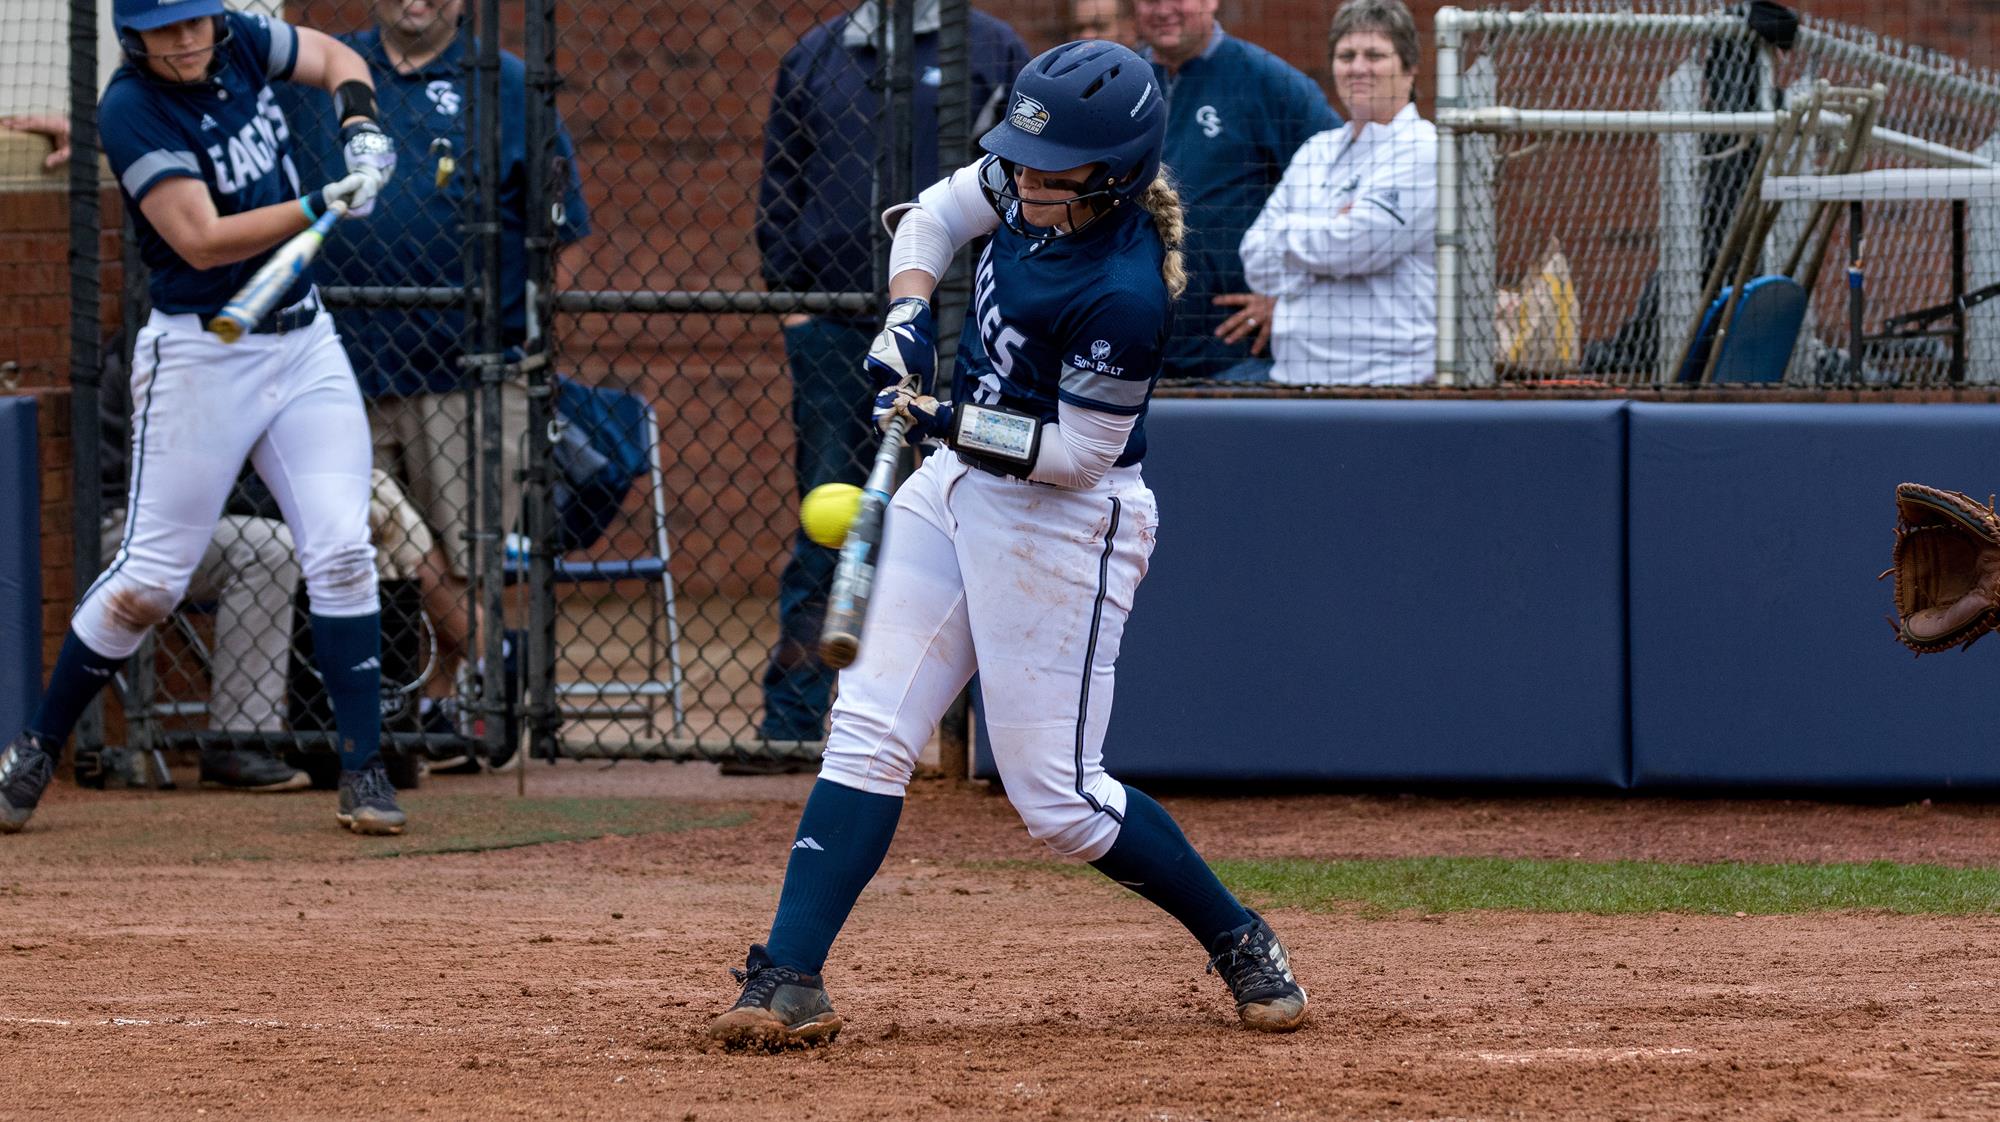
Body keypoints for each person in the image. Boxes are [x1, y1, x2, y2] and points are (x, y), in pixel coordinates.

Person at [709, 40, 1309, 1049]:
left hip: (1066, 522)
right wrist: (905, 311)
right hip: (953, 494)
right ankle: (788, 978)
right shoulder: (1025, 182)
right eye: (1022, 158)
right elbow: (937, 216)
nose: (1024, 178)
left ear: (1110, 174)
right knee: (867, 728)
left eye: (1052, 165)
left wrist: (943, 418)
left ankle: (1235, 933)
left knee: (1060, 803)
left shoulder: (1124, 290)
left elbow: (1076, 454)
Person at [0, 0, 405, 835]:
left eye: (196, 22)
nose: (187, 40)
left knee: (339, 549)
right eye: (166, 28)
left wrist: (359, 124)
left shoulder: (241, 39)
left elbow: (332, 57)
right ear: (133, 35)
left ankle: (365, 770)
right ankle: (36, 746)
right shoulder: (130, 108)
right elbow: (203, 239)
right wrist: (324, 198)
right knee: (149, 581)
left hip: (301, 343)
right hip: (200, 356)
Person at [279, 0, 592, 771]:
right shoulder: (326, 71)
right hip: (337, 364)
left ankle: (452, 712)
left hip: (467, 371)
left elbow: (564, 233)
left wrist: (534, 344)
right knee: (370, 548)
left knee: (458, 555)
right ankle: (483, 680)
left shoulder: (507, 85)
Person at [747, 0, 1028, 773]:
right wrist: (799, 307)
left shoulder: (993, 49)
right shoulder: (817, 54)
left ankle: (980, 734)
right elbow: (780, 189)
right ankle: (798, 719)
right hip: (838, 325)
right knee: (830, 513)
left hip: (966, 321)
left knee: (978, 507)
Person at [98, 336, 309, 792]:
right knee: (266, 536)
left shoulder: (260, 361)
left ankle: (240, 740)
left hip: (192, 526)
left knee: (270, 546)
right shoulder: (140, 359)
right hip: (118, 528)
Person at [1133, 0, 1336, 380]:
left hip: (1231, 360)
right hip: (1127, 349)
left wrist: (1292, 301)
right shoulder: (1121, 81)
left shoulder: (1268, 81)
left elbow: (1344, 179)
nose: (1163, 10)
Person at [1238, 0, 1437, 386]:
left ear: (1410, 68)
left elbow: (1357, 244)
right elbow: (1254, 258)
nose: (1358, 68)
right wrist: (1330, 228)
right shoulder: (1318, 150)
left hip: (1389, 385)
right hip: (1294, 382)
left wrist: (1290, 234)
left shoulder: (1425, 149)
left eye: (1375, 55)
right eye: (1347, 55)